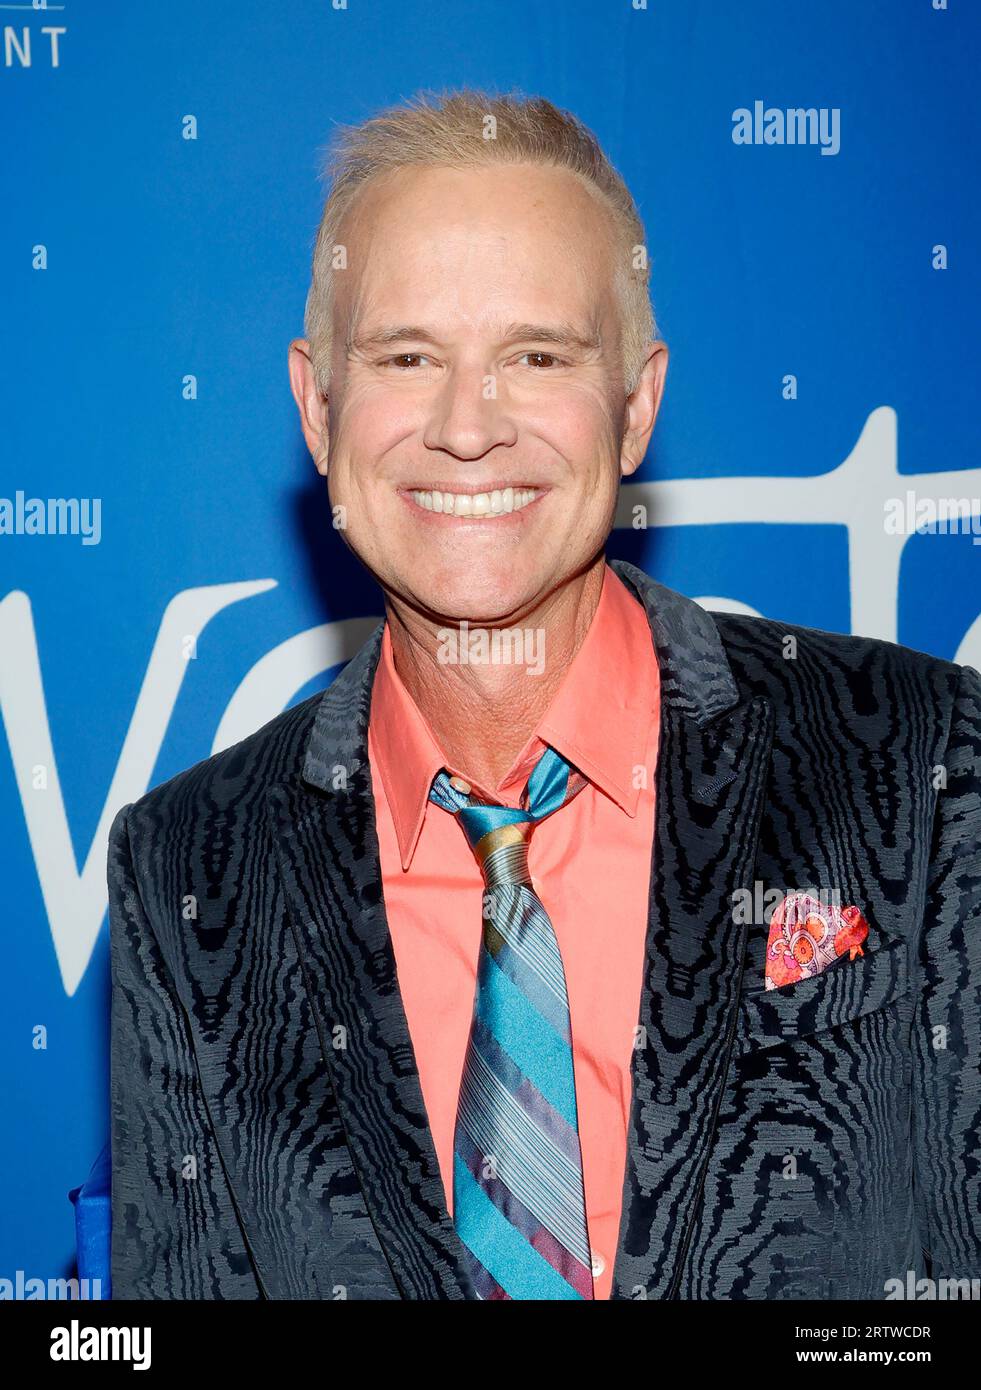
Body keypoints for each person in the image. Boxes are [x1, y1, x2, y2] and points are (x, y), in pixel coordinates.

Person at [108, 89, 981, 1300]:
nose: (469, 428)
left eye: (537, 356)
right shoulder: (184, 867)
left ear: (636, 405)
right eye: (408, 357)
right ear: (317, 406)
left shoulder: (930, 764)